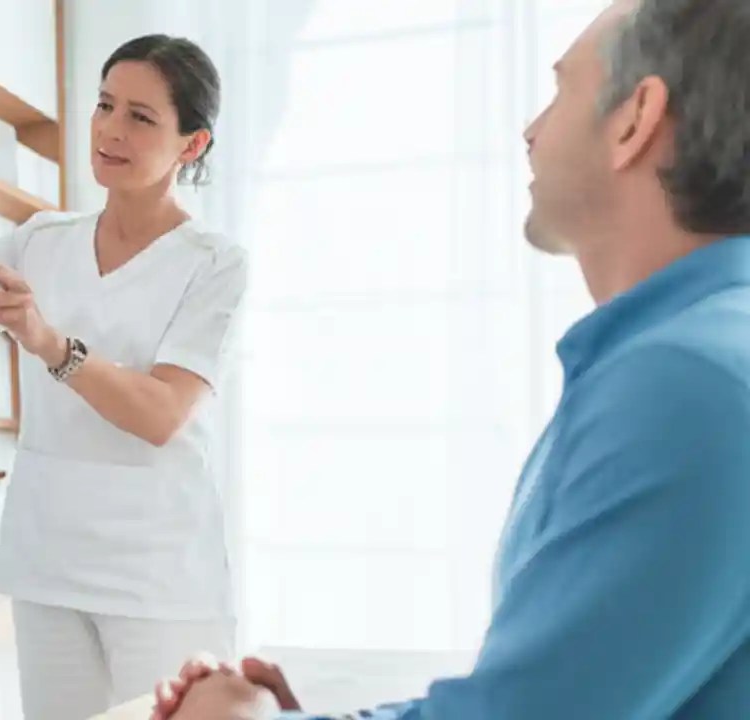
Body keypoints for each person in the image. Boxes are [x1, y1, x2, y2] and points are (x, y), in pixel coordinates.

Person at [151, 0, 750, 718]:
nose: (530, 131)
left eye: (561, 90)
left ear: (635, 119)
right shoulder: (698, 357)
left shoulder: (683, 385)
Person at [0, 34, 246, 720]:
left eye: (141, 117)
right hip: (49, 567)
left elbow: (159, 413)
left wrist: (49, 342)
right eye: (104, 105)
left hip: (158, 585)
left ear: (192, 145)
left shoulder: (214, 263)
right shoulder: (40, 242)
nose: (110, 130)